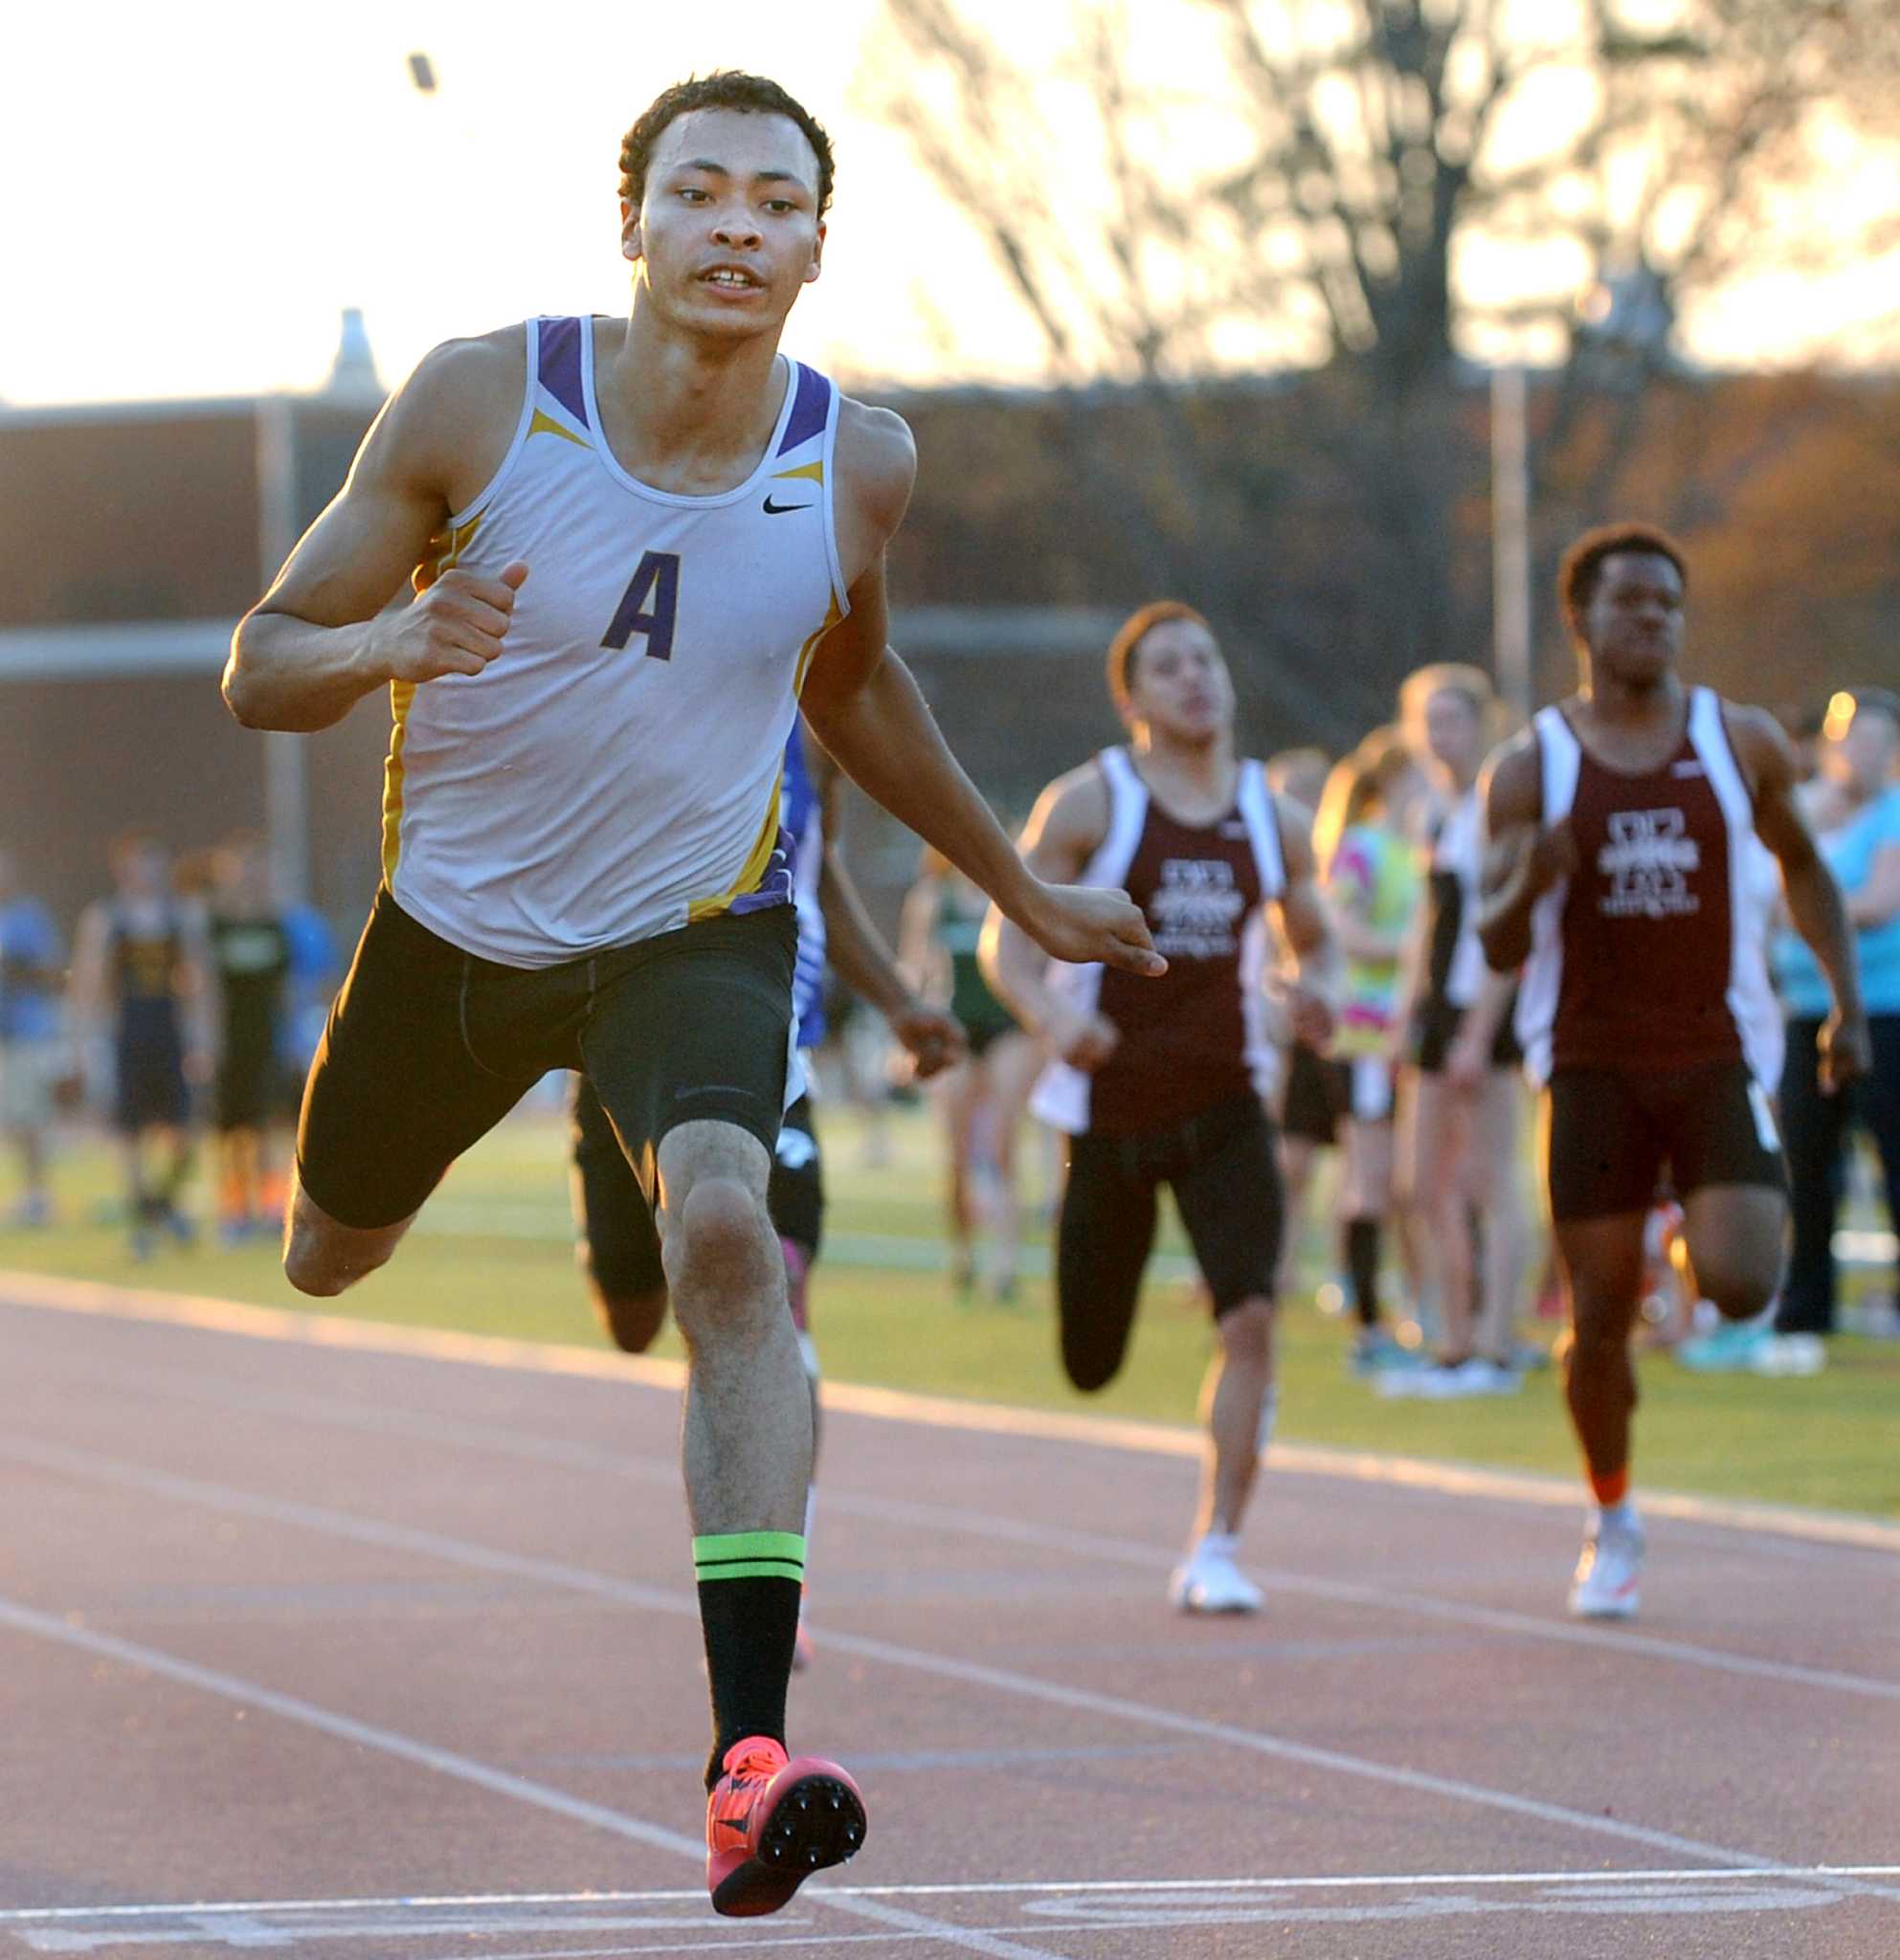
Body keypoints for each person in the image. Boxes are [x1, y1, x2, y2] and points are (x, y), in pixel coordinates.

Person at [219, 71, 1156, 1918]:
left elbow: (856, 692)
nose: (739, 226)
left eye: (777, 203)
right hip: (458, 940)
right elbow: (262, 661)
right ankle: (598, 1151)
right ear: (635, 224)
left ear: (816, 246)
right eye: (703, 193)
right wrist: (392, 635)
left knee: (733, 1234)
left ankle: (748, 1760)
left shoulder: (856, 461)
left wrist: (1023, 889)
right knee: (328, 1250)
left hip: (695, 925)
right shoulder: (484, 398)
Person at [1480, 522, 1867, 1619]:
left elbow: (1804, 868)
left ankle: (1682, 1210)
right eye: (1628, 601)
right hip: (1588, 1063)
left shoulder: (1736, 739)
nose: (1650, 618)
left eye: (1666, 602)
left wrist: (1843, 1002)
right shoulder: (1531, 766)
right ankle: (1610, 1515)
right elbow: (1496, 944)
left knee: (1741, 1280)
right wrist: (1531, 877)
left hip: (1712, 1049)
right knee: (1598, 1316)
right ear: (1580, 618)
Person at [570, 715, 965, 1665]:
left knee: (774, 1293)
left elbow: (817, 871)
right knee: (632, 1316)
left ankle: (777, 1580)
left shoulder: (815, 718)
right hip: (626, 1041)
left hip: (769, 1051)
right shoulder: (628, 685)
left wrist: (897, 999)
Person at [985, 601, 1336, 1615]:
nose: (1195, 678)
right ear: (1131, 700)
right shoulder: (1089, 803)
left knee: (1253, 1315)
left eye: (1206, 659)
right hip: (1109, 1112)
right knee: (1089, 1361)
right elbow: (1006, 942)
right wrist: (1053, 1016)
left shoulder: (1274, 817)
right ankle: (1109, 1318)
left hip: (1225, 1103)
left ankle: (1217, 1545)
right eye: (1169, 666)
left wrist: (1313, 992)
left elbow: (1314, 940)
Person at [1389, 665, 1531, 1395]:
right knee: (1420, 1183)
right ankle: (1451, 1337)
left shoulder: (1494, 806)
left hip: (1484, 1011)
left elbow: (1508, 931)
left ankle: (1494, 1344)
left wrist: (1479, 1032)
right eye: (1427, 720)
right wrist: (1403, 1013)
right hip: (1436, 1013)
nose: (1438, 734)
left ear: (1480, 725)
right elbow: (1427, 924)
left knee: (1490, 1180)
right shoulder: (1430, 810)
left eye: (1451, 719)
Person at [1773, 687, 1900, 1338]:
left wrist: (1806, 904)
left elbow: (1878, 904)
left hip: (1884, 1013)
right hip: (1803, 1011)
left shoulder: (1893, 815)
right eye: (1854, 737)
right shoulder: (1799, 813)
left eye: (1879, 741)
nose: (1863, 753)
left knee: (1892, 1157)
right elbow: (1761, 898)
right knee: (1805, 1163)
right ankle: (1805, 1307)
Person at [1311, 729, 1426, 1372]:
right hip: (1366, 1035)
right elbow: (1340, 925)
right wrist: (1410, 952)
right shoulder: (1363, 847)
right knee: (1371, 1179)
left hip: (1415, 1034)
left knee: (1421, 1180)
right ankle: (1370, 1328)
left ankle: (1423, 1310)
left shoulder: (1423, 850)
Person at [899, 845, 1043, 1302]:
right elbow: (915, 970)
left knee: (1002, 1146)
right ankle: (962, 1254)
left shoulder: (1008, 895)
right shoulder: (932, 898)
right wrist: (905, 1033)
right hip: (956, 1029)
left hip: (1006, 1029)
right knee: (956, 1156)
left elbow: (1033, 962)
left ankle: (1006, 1264)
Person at [70, 835, 212, 1258]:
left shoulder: (181, 915)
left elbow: (200, 978)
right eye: (139, 864)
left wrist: (203, 1036)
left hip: (169, 1030)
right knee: (131, 1132)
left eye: (154, 864)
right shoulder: (106, 918)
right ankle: (144, 1219)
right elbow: (89, 981)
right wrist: (82, 1040)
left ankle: (162, 1205)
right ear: (123, 870)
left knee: (185, 1131)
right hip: (127, 1032)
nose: (147, 873)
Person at [204, 836, 294, 1242]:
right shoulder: (214, 926)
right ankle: (234, 1210)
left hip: (266, 1038)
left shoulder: (274, 925)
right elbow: (204, 986)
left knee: (267, 1128)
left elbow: (286, 988)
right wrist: (206, 1039)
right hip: (227, 1040)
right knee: (229, 1132)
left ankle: (272, 1208)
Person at [0, 849, 66, 1227]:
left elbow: (55, 972)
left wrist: (17, 968)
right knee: (10, 1118)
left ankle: (39, 1195)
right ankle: (27, 1193)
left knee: (29, 1116)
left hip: (25, 1030)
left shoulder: (28, 916)